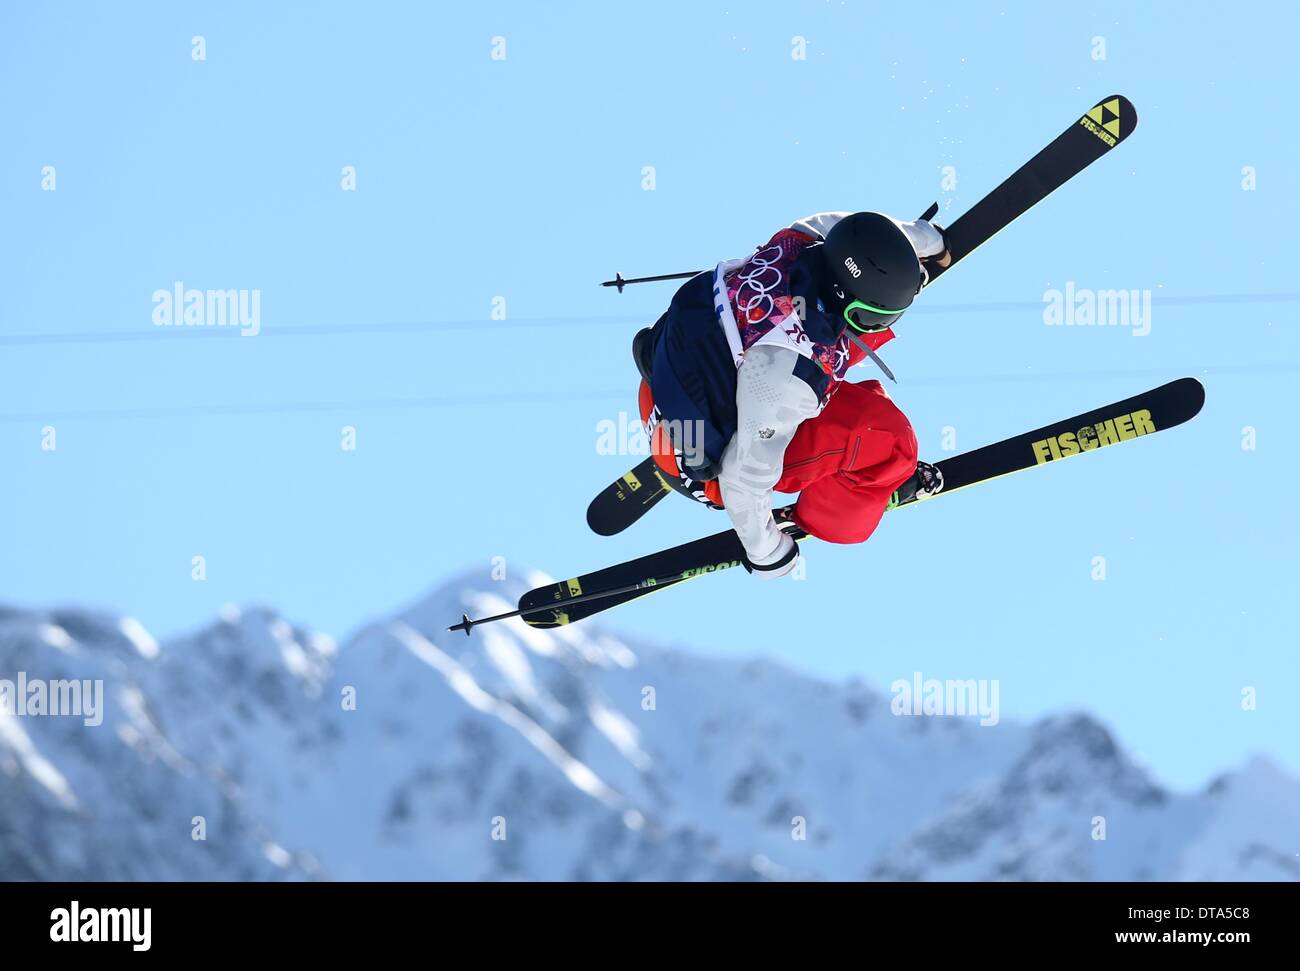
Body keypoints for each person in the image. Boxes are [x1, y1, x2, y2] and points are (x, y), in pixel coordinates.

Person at [632, 211, 950, 579]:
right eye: (877, 318)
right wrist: (767, 551)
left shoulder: (800, 241)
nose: (881, 326)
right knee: (889, 441)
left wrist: (925, 240)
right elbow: (744, 475)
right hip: (714, 474)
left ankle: (707, 431)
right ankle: (842, 503)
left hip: (658, 388)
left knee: (851, 342)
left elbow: (852, 225)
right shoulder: (787, 377)